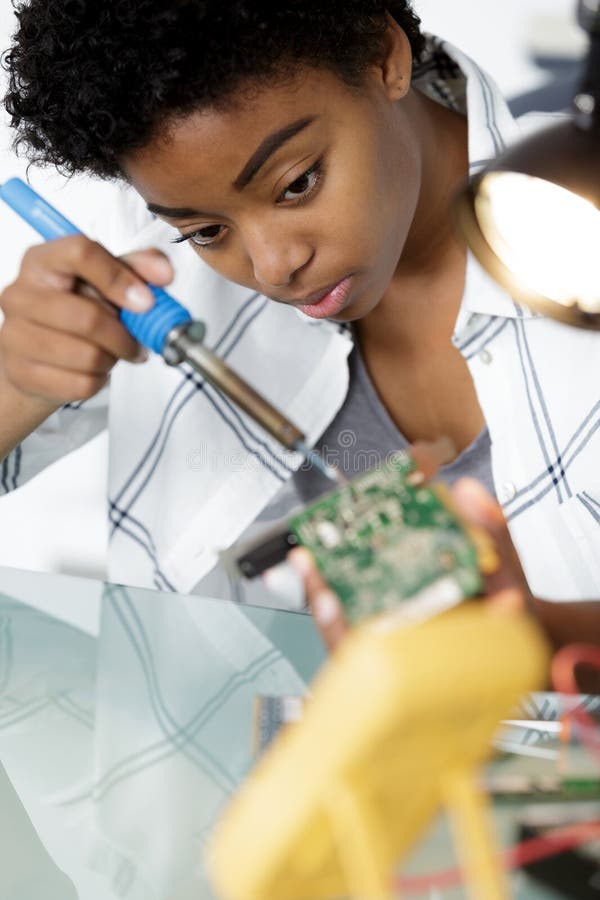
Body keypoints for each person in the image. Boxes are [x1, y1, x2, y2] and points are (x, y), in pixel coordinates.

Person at [0, 2, 599, 645]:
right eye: (206, 231)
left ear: (383, 57)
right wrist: (17, 382)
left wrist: (540, 634)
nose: (274, 266)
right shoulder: (142, 272)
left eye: (296, 183)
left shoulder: (578, 211)